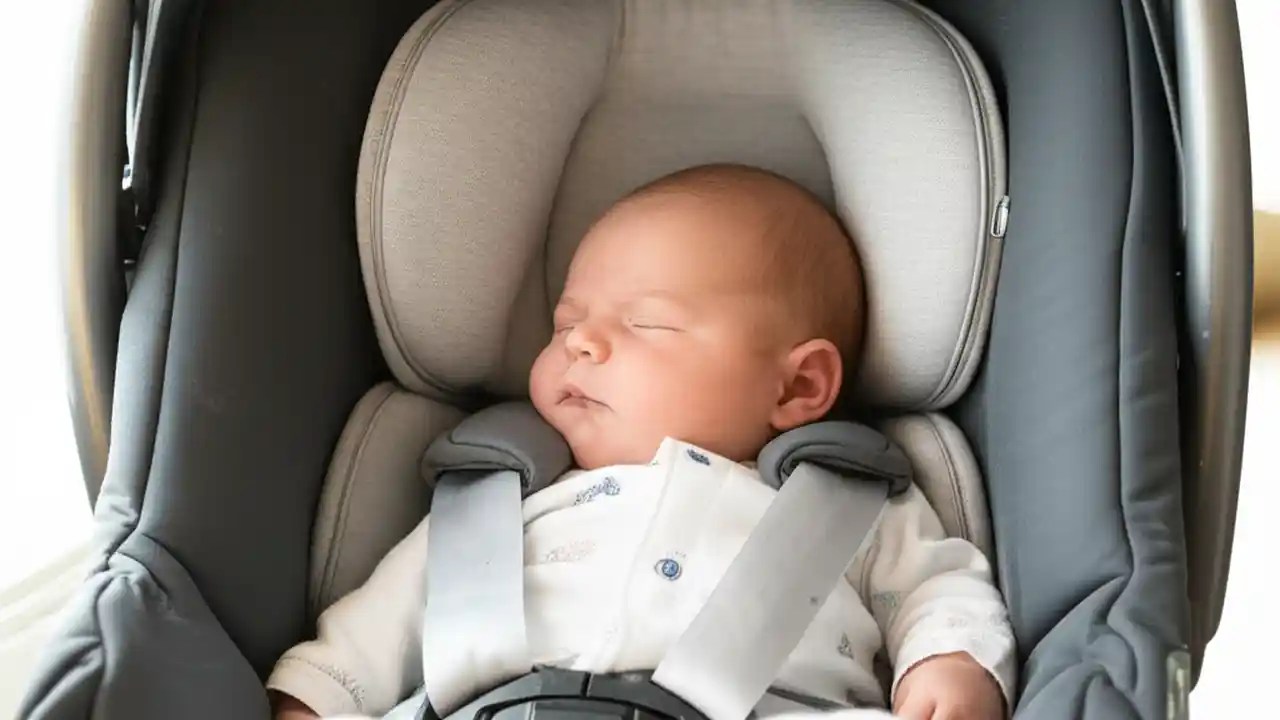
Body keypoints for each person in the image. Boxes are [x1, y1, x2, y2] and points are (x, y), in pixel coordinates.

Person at [269, 164, 1016, 720]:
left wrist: (949, 661)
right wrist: (319, 697)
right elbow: (376, 628)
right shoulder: (496, 505)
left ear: (795, 388)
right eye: (566, 324)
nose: (581, 343)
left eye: (646, 323)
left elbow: (937, 588)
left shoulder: (846, 502)